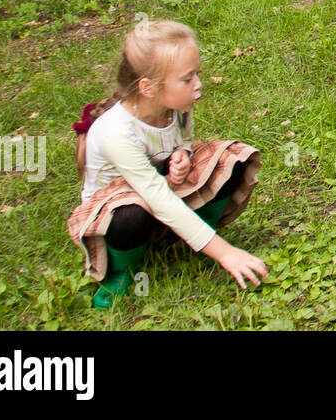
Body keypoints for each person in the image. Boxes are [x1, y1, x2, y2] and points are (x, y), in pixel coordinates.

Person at [69, 19, 266, 308]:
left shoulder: (177, 108)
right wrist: (225, 253)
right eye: (187, 79)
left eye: (197, 74)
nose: (198, 85)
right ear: (148, 87)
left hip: (159, 183)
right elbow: (157, 198)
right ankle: (120, 273)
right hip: (117, 210)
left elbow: (183, 137)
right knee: (131, 215)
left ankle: (195, 237)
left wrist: (183, 154)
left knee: (231, 160)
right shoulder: (116, 133)